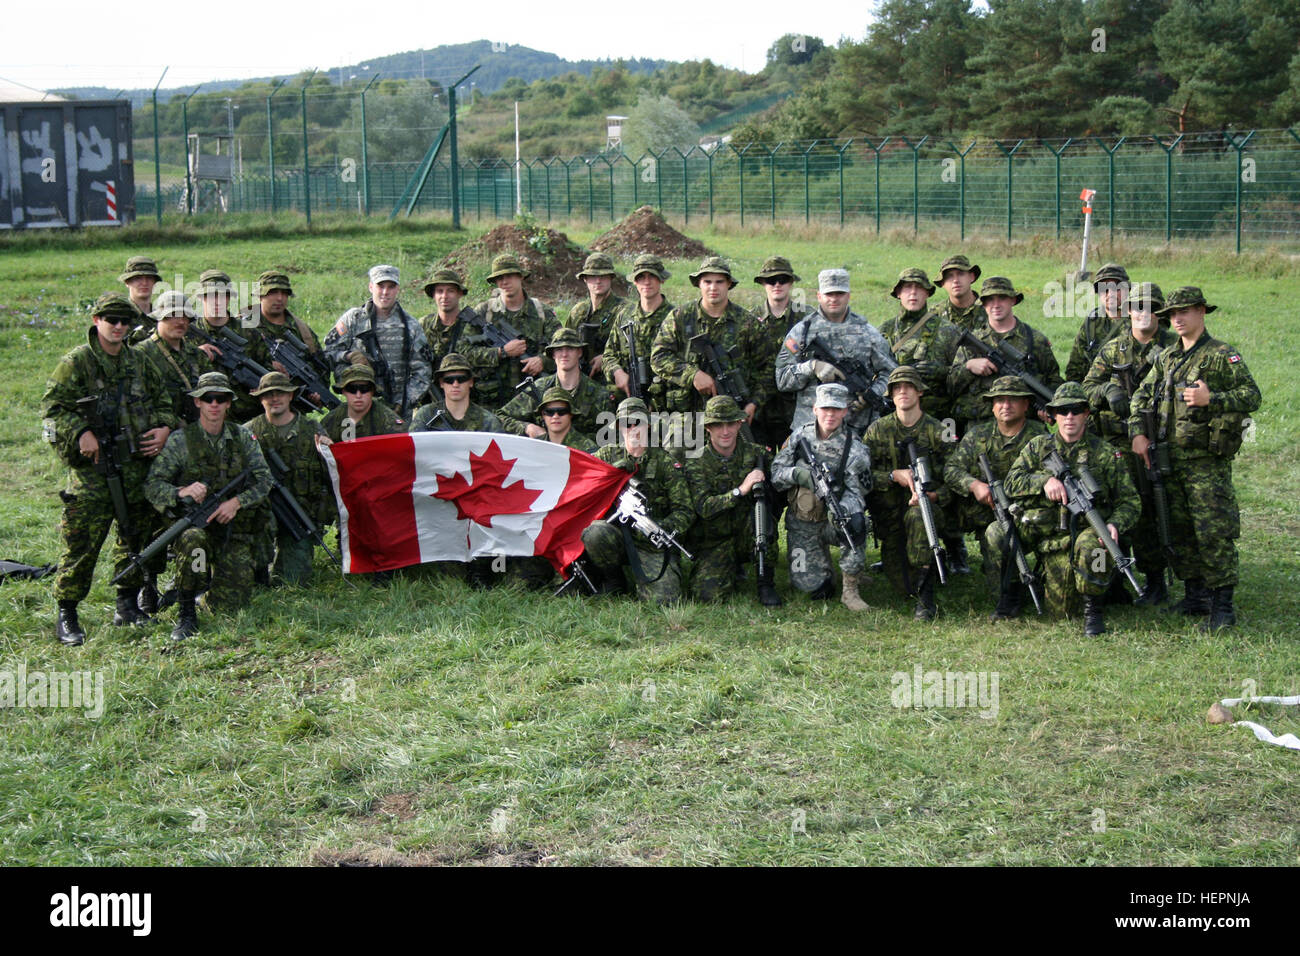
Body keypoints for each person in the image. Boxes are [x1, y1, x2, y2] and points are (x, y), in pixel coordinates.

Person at [42, 293, 179, 645]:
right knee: (82, 542)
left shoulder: (140, 361)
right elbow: (52, 412)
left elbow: (165, 400)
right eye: (111, 320)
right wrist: (81, 433)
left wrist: (164, 428)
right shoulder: (77, 362)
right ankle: (67, 612)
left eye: (125, 321)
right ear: (96, 321)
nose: (119, 327)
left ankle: (126, 603)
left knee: (133, 536)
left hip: (136, 465)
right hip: (94, 471)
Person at [1129, 287, 1262, 629]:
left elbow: (1252, 395)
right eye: (1173, 313)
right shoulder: (1166, 357)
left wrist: (1211, 398)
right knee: (1181, 528)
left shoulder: (1221, 355)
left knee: (1212, 531)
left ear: (1202, 312)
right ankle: (1194, 595)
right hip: (1168, 458)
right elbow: (1141, 396)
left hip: (1205, 462)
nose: (1178, 318)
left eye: (1185, 311)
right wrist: (1138, 434)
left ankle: (1222, 606)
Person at [1003, 382, 1140, 636]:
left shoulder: (1106, 454)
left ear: (1086, 414)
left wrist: (1114, 524)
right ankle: (1010, 595)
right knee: (997, 534)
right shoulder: (1038, 447)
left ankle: (1094, 607)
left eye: (1076, 410)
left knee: (1097, 547)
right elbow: (1011, 482)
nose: (1069, 417)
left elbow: (1131, 501)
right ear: (1053, 415)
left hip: (1086, 532)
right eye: (1063, 411)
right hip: (1045, 528)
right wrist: (1044, 481)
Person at [144, 372, 273, 640]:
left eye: (220, 398)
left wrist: (237, 502)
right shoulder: (181, 441)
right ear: (198, 403)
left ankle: (203, 590)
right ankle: (186, 611)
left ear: (228, 403)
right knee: (193, 540)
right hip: (194, 527)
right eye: (208, 398)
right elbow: (152, 485)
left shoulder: (242, 437)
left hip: (231, 529)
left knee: (231, 603)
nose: (214, 404)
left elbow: (264, 480)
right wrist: (181, 491)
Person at [1082, 282, 1176, 605]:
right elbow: (1086, 389)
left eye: (1150, 307)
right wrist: (1107, 392)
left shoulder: (1172, 349)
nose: (1143, 314)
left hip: (1158, 442)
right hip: (1116, 443)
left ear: (1160, 313)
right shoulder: (1113, 349)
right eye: (1137, 307)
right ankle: (1116, 580)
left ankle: (1155, 579)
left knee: (1153, 508)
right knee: (1119, 507)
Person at [943, 376, 1049, 617]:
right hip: (991, 518)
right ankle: (1011, 591)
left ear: (1026, 405)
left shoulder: (1040, 436)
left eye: (1013, 400)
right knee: (1000, 589)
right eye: (999, 400)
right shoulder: (977, 435)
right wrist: (974, 485)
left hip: (1032, 515)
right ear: (991, 406)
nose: (1006, 405)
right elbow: (951, 469)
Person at [650, 256, 772, 452]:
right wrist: (693, 375)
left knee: (749, 462)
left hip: (732, 418)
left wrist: (754, 404)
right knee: (675, 458)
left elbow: (768, 369)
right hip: (688, 414)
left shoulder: (747, 323)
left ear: (729, 284)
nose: (713, 287)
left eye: (719, 282)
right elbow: (658, 356)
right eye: (707, 282)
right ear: (699, 284)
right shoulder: (680, 317)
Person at [581, 397, 694, 602]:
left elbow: (684, 511)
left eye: (638, 422)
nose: (633, 428)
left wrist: (659, 528)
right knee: (595, 533)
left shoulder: (664, 462)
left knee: (665, 599)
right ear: (619, 427)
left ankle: (645, 578)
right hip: (616, 536)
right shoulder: (607, 455)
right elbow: (583, 483)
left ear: (648, 425)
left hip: (650, 542)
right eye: (626, 424)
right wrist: (611, 475)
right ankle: (614, 579)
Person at [863, 366, 954, 620]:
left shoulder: (939, 430)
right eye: (896, 388)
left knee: (918, 516)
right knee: (903, 587)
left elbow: (956, 475)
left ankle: (926, 600)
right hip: (890, 517)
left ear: (920, 391)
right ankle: (929, 566)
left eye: (909, 386)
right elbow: (861, 475)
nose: (902, 391)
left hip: (928, 511)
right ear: (890, 395)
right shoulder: (876, 431)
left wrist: (934, 497)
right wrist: (894, 475)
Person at [772, 383, 871, 610]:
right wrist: (798, 474)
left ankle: (850, 589)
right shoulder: (799, 437)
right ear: (815, 409)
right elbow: (776, 476)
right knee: (809, 587)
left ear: (845, 411)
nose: (830, 415)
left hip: (833, 521)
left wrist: (842, 509)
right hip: (803, 522)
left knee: (856, 523)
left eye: (836, 409)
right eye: (825, 409)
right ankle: (824, 567)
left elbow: (858, 493)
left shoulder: (855, 448)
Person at [681, 395, 779, 605]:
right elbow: (704, 507)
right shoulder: (696, 462)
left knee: (764, 518)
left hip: (748, 531)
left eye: (730, 424)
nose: (725, 431)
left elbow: (782, 483)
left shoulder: (757, 454)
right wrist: (741, 490)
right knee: (706, 596)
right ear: (708, 427)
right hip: (714, 540)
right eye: (718, 425)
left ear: (739, 423)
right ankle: (731, 569)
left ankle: (765, 582)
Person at [775, 267, 896, 437]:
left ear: (848, 295)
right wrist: (812, 367)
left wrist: (872, 394)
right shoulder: (801, 333)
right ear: (819, 296)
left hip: (856, 429)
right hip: (810, 428)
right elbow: (781, 379)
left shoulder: (868, 333)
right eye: (829, 294)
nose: (834, 299)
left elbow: (892, 373)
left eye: (839, 293)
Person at [247, 371, 333, 586]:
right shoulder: (248, 432)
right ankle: (257, 569)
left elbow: (330, 475)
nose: (275, 398)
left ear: (291, 396)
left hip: (299, 514)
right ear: (260, 398)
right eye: (268, 394)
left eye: (280, 393)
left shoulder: (312, 429)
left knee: (292, 582)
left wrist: (330, 453)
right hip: (263, 512)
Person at [948, 276, 1062, 430]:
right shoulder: (973, 342)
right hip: (981, 428)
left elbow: (1053, 379)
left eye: (1002, 298)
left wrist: (1049, 408)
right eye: (990, 299)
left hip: (1026, 429)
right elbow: (950, 386)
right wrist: (968, 366)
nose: (996, 304)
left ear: (1013, 300)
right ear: (983, 304)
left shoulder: (1035, 340)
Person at [323, 264, 432, 420]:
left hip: (398, 413)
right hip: (358, 409)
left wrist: (402, 404)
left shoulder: (411, 326)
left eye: (391, 287)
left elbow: (423, 372)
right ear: (371, 287)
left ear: (398, 289)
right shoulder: (353, 319)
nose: (385, 292)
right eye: (380, 286)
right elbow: (327, 354)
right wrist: (349, 356)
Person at [471, 253, 560, 407]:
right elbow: (465, 352)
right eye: (499, 278)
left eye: (510, 276)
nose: (505, 282)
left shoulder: (542, 312)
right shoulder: (484, 312)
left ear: (520, 277)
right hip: (491, 400)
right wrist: (501, 352)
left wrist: (542, 360)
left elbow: (563, 347)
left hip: (533, 399)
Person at [495, 327, 608, 442]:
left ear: (579, 352)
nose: (564, 354)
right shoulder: (539, 388)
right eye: (559, 349)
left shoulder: (599, 395)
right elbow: (500, 417)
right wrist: (527, 428)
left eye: (570, 348)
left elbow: (610, 439)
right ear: (553, 354)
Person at [188, 269, 260, 423]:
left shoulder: (248, 332)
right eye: (210, 296)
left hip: (247, 415)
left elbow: (265, 367)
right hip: (204, 418)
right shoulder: (188, 333)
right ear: (201, 298)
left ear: (229, 299)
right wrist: (195, 353)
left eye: (221, 296)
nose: (216, 301)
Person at [604, 254, 674, 411]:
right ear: (635, 282)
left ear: (662, 279)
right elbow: (609, 354)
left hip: (665, 401)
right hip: (628, 398)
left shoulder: (675, 317)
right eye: (641, 277)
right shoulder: (625, 314)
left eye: (652, 277)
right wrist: (617, 372)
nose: (647, 282)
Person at [753, 255, 809, 449]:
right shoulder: (750, 319)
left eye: (783, 280)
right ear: (762, 283)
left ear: (791, 283)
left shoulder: (807, 318)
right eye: (771, 280)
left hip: (796, 408)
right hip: (761, 408)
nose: (777, 284)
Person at [137, 291, 213, 424]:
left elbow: (212, 391)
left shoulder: (196, 354)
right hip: (158, 428)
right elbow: (138, 401)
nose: (181, 321)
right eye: (173, 315)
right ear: (159, 317)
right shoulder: (141, 354)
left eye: (185, 316)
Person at [418, 267, 497, 381]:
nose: (444, 296)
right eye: (440, 291)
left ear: (459, 293)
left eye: (450, 291)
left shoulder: (473, 325)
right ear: (434, 295)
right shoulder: (423, 325)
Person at [1065, 263, 1129, 384]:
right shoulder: (1092, 322)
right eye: (1104, 289)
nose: (1111, 294)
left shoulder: (1139, 321)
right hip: (1094, 391)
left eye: (1117, 287)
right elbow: (1075, 368)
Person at [564, 252, 624, 380]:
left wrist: (606, 358)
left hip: (612, 379)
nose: (598, 280)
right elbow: (565, 343)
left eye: (603, 276)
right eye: (593, 276)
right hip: (580, 378)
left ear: (611, 278)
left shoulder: (625, 310)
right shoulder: (578, 311)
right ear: (585, 279)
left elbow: (637, 348)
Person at [409, 354, 503, 433]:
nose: (455, 384)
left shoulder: (488, 421)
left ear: (471, 382)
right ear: (441, 383)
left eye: (461, 379)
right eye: (449, 380)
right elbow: (413, 449)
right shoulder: (426, 415)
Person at [320, 362, 406, 443]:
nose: (358, 395)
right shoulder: (331, 420)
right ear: (344, 391)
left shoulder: (389, 422)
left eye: (364, 389)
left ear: (372, 391)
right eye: (352, 389)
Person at [935, 254, 985, 332]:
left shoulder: (990, 311)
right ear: (943, 283)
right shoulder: (935, 316)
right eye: (949, 276)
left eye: (960, 274)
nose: (955, 280)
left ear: (971, 277)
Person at [119, 255, 161, 342]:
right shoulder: (118, 316)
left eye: (149, 278)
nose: (144, 283)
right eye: (138, 278)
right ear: (127, 282)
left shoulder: (161, 316)